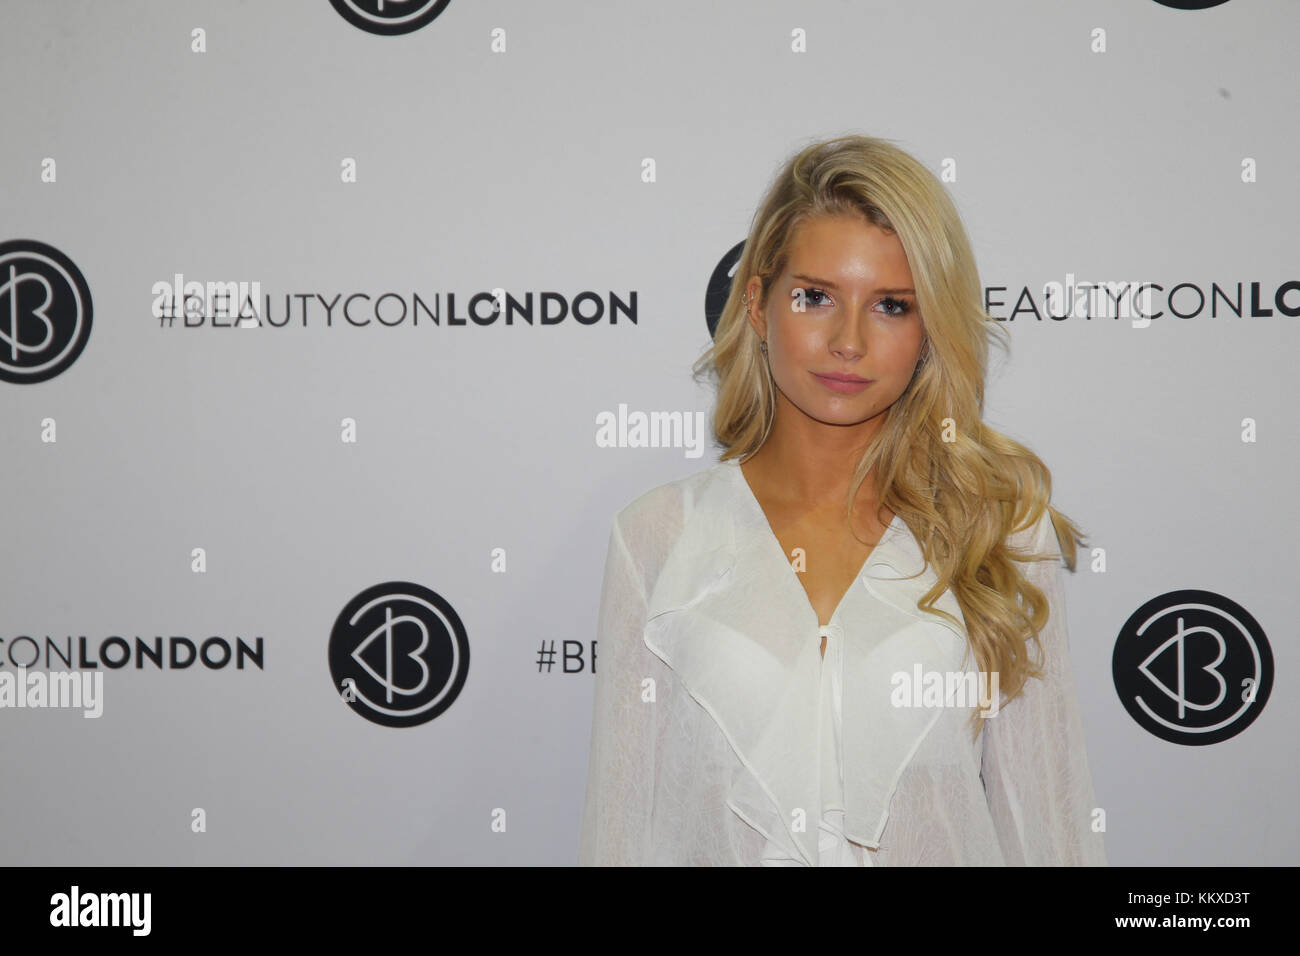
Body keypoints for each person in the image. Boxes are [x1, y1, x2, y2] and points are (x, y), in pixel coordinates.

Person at [577, 134, 1107, 866]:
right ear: (758, 306)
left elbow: (1052, 826)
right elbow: (624, 826)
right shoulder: (658, 536)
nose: (848, 341)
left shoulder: (1002, 532)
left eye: (892, 305)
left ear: (930, 331)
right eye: (816, 297)